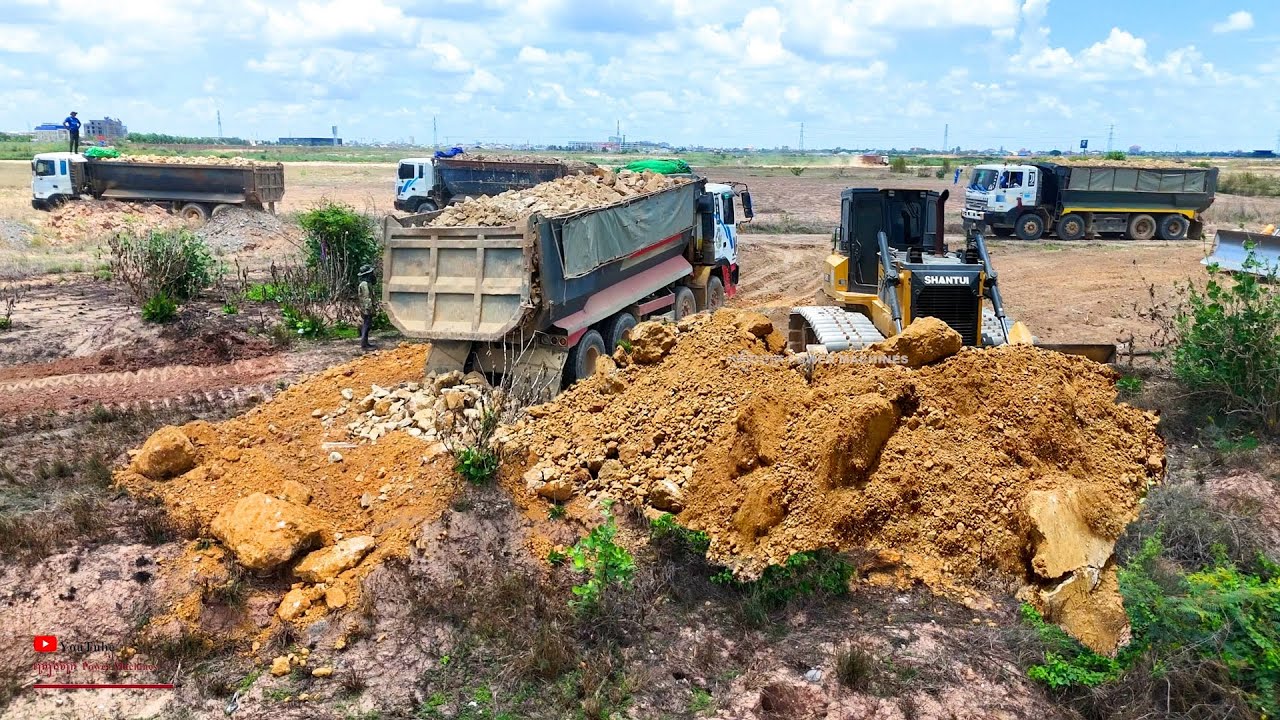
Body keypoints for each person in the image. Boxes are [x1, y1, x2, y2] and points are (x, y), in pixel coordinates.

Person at [357, 264, 376, 350]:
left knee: (367, 324)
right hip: (366, 307)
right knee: (366, 325)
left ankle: (365, 343)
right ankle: (364, 344)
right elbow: (367, 297)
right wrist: (370, 308)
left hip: (365, 307)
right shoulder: (364, 284)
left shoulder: (365, 283)